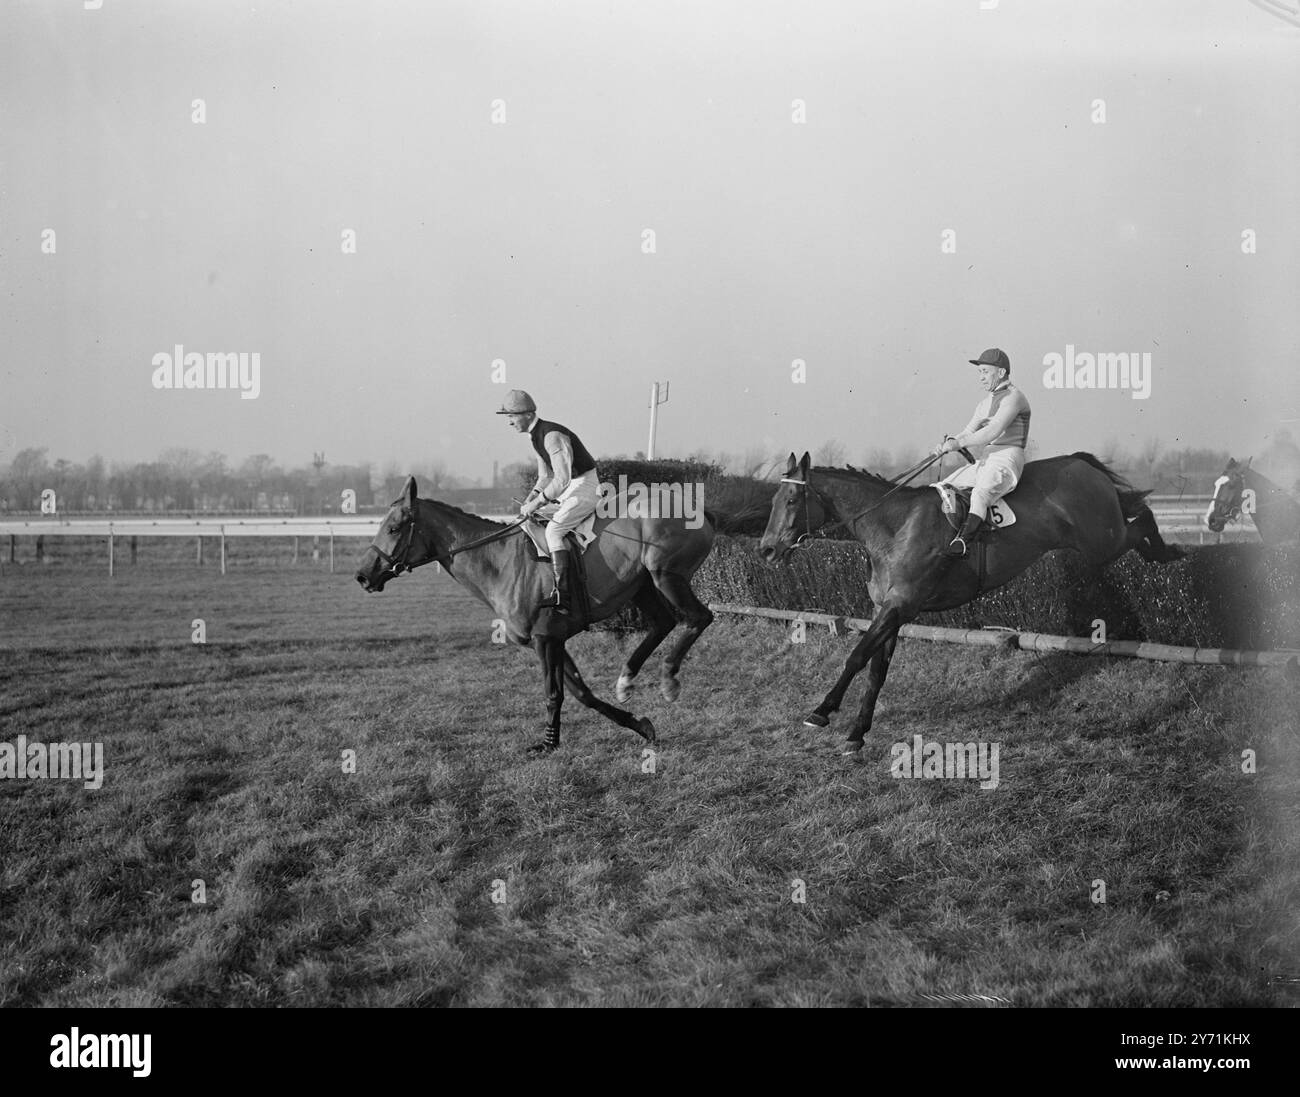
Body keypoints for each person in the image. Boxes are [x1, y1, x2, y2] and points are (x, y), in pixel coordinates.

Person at [497, 389, 600, 620]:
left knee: (554, 531)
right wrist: (529, 502)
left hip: (584, 486)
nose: (509, 422)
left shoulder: (552, 436)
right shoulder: (535, 436)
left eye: (511, 416)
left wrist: (536, 504)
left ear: (525, 414)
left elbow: (561, 480)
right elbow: (544, 479)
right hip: (570, 487)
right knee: (527, 522)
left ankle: (563, 594)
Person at [933, 348, 1031, 557]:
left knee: (980, 494)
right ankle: (950, 531)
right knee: (943, 487)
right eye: (980, 372)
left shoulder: (1014, 398)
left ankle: (964, 542)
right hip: (986, 460)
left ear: (1002, 372)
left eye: (985, 371)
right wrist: (948, 444)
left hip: (1007, 459)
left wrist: (959, 443)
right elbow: (967, 432)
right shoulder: (984, 404)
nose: (981, 378)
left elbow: (992, 432)